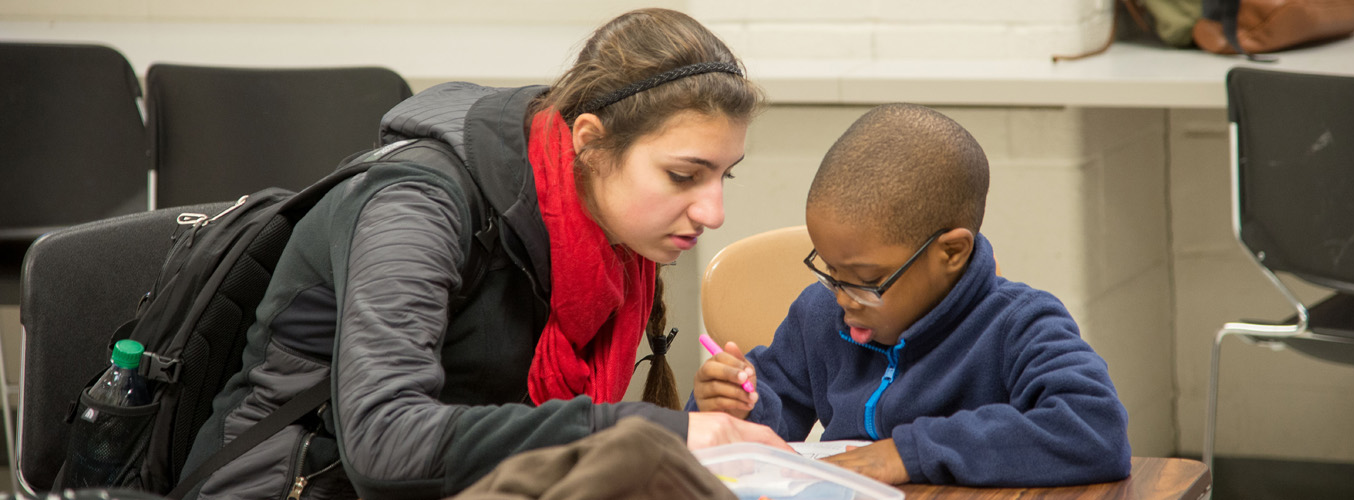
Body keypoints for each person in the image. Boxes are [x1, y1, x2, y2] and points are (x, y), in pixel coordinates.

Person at [180, 8, 789, 500]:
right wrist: (657, 433)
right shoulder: (416, 207)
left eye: (723, 177)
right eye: (685, 175)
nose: (713, 213)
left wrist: (692, 423)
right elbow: (384, 446)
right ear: (590, 142)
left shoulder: (600, 230)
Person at [689, 103, 1132, 487]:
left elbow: (1095, 430)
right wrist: (730, 407)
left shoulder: (1018, 324)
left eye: (866, 279)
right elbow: (770, 427)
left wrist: (905, 454)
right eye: (831, 270)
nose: (843, 297)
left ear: (951, 252)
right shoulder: (819, 314)